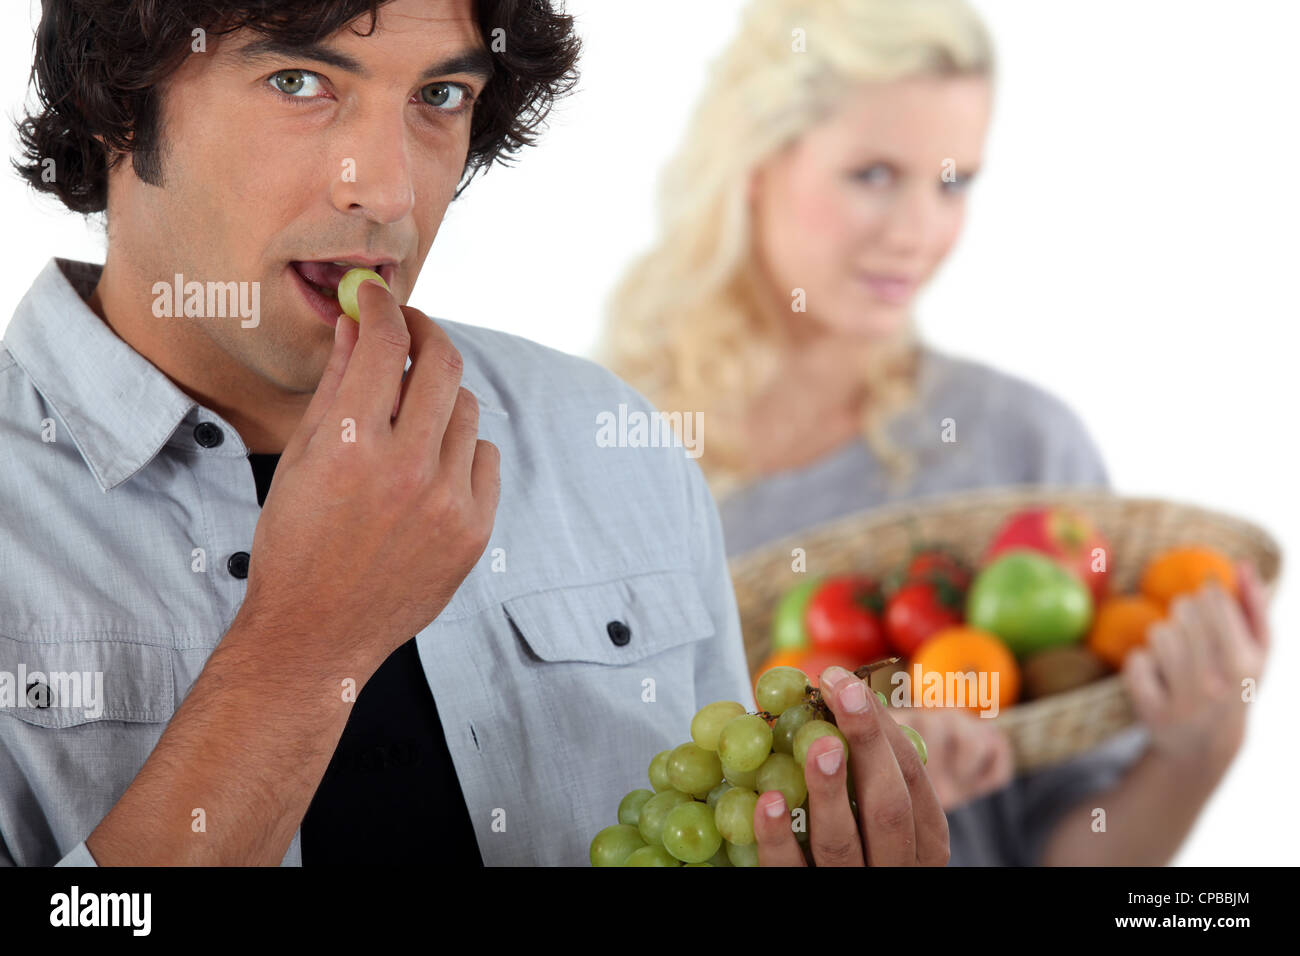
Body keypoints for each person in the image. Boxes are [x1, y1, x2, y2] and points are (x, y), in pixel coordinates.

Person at [0, 0, 945, 868]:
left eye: (440, 96)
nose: (388, 192)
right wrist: (310, 646)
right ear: (112, 102)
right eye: (298, 82)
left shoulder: (610, 445)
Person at [601, 0, 1272, 865]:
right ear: (756, 162)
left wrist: (1197, 755)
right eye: (874, 174)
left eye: (953, 183)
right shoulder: (602, 451)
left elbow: (1079, 849)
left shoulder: (1022, 447)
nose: (920, 233)